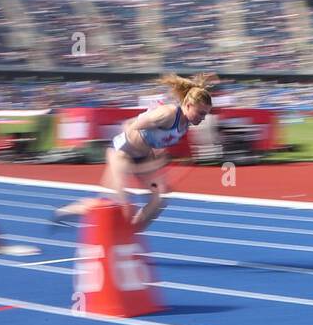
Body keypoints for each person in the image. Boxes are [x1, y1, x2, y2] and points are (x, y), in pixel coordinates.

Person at [52, 73, 217, 231]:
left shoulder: (185, 123)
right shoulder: (168, 114)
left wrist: (156, 154)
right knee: (116, 205)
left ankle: (129, 233)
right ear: (188, 105)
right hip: (122, 154)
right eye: (201, 113)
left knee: (159, 200)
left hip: (143, 158)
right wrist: (143, 164)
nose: (202, 118)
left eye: (205, 114)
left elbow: (158, 138)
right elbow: (128, 126)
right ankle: (66, 212)